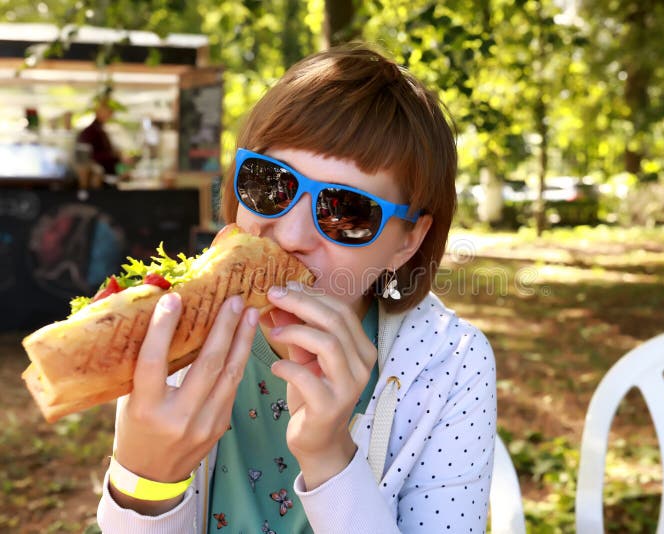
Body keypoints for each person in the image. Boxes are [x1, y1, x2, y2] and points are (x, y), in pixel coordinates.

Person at [96, 43, 497, 533]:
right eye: (270, 184)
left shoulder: (450, 364)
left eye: (347, 211)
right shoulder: (173, 329)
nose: (288, 235)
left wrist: (331, 458)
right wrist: (147, 478)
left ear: (407, 241)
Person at [77, 92, 122, 176]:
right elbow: (90, 157)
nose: (110, 113)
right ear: (97, 111)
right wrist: (116, 156)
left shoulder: (99, 130)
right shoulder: (90, 131)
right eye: (106, 110)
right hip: (98, 176)